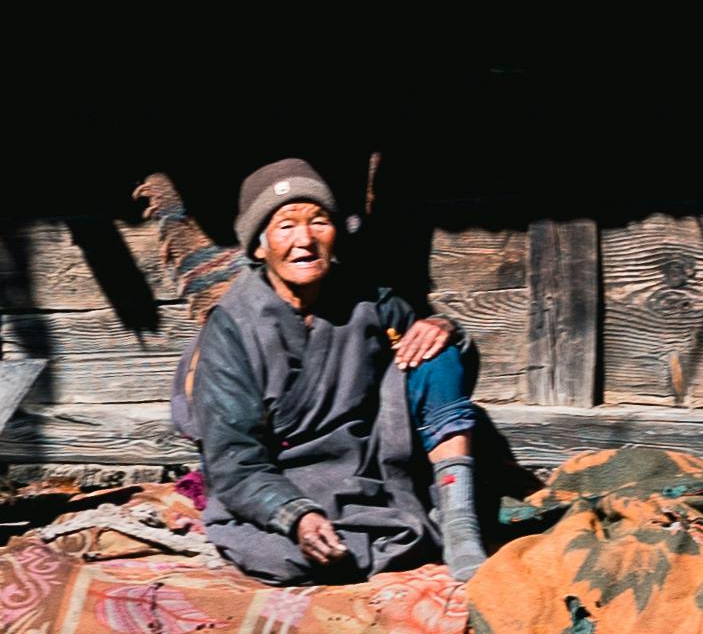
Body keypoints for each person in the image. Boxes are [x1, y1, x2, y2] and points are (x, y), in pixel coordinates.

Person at [175, 160, 483, 583]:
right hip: (282, 479)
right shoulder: (232, 328)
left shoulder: (368, 303)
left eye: (318, 222)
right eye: (286, 227)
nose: (305, 240)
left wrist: (447, 329)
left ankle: (460, 524)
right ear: (259, 246)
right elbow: (234, 459)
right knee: (286, 558)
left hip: (367, 472)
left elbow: (439, 371)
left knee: (433, 348)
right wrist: (294, 515)